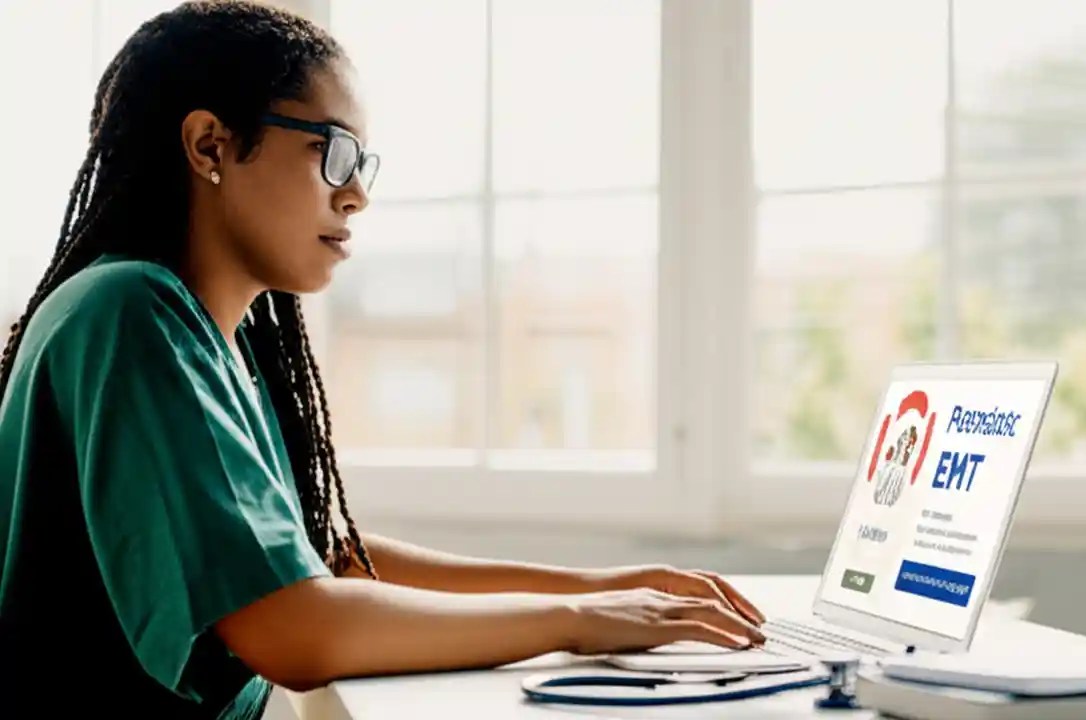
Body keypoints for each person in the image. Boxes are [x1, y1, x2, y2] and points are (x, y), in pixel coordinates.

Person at [0, 3, 765, 717]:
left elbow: (326, 561)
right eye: (332, 152)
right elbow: (294, 628)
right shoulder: (131, 313)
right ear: (211, 145)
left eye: (364, 160)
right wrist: (576, 621)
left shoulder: (215, 337)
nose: (358, 192)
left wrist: (605, 588)